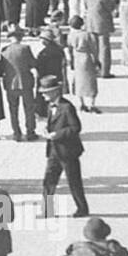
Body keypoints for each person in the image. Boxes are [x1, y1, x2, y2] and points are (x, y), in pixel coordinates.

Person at [38, 74, 90, 218]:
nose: (43, 96)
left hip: (68, 151)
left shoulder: (67, 107)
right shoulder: (50, 106)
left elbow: (75, 128)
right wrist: (46, 130)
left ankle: (82, 208)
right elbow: (52, 123)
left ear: (54, 92)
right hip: (54, 151)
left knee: (74, 182)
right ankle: (47, 211)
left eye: (45, 93)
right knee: (49, 181)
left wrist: (56, 134)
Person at [0, 25, 37, 142]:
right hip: (25, 82)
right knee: (29, 108)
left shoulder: (4, 51)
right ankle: (30, 132)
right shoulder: (25, 48)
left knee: (13, 109)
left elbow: (1, 69)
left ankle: (17, 133)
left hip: (10, 83)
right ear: (20, 37)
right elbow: (33, 64)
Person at [65, 15, 100, 113]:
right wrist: (96, 59)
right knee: (91, 81)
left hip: (77, 58)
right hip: (87, 57)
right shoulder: (87, 35)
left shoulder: (70, 35)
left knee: (78, 81)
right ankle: (92, 104)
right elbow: (94, 48)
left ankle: (82, 103)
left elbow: (70, 49)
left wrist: (71, 60)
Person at [82, 0, 114, 78]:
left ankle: (95, 69)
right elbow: (110, 8)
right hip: (102, 22)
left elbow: (86, 6)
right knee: (104, 48)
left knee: (93, 48)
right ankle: (105, 71)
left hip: (90, 23)